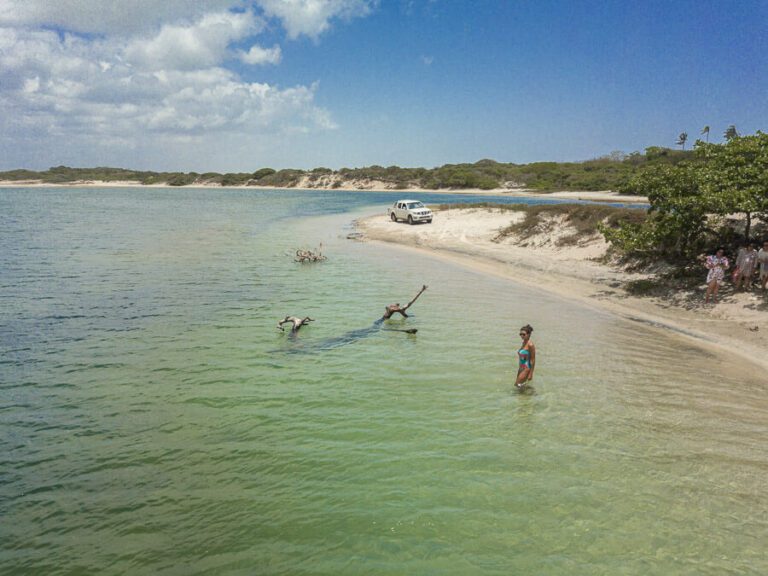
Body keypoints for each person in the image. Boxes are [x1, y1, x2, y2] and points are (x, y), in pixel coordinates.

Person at [515, 324, 536, 389]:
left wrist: (531, 373)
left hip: (526, 368)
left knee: (517, 385)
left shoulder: (530, 345)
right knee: (520, 385)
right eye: (520, 334)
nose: (522, 336)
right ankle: (530, 394)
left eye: (524, 334)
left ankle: (531, 393)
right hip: (521, 368)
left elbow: (533, 360)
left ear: (529, 334)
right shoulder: (524, 342)